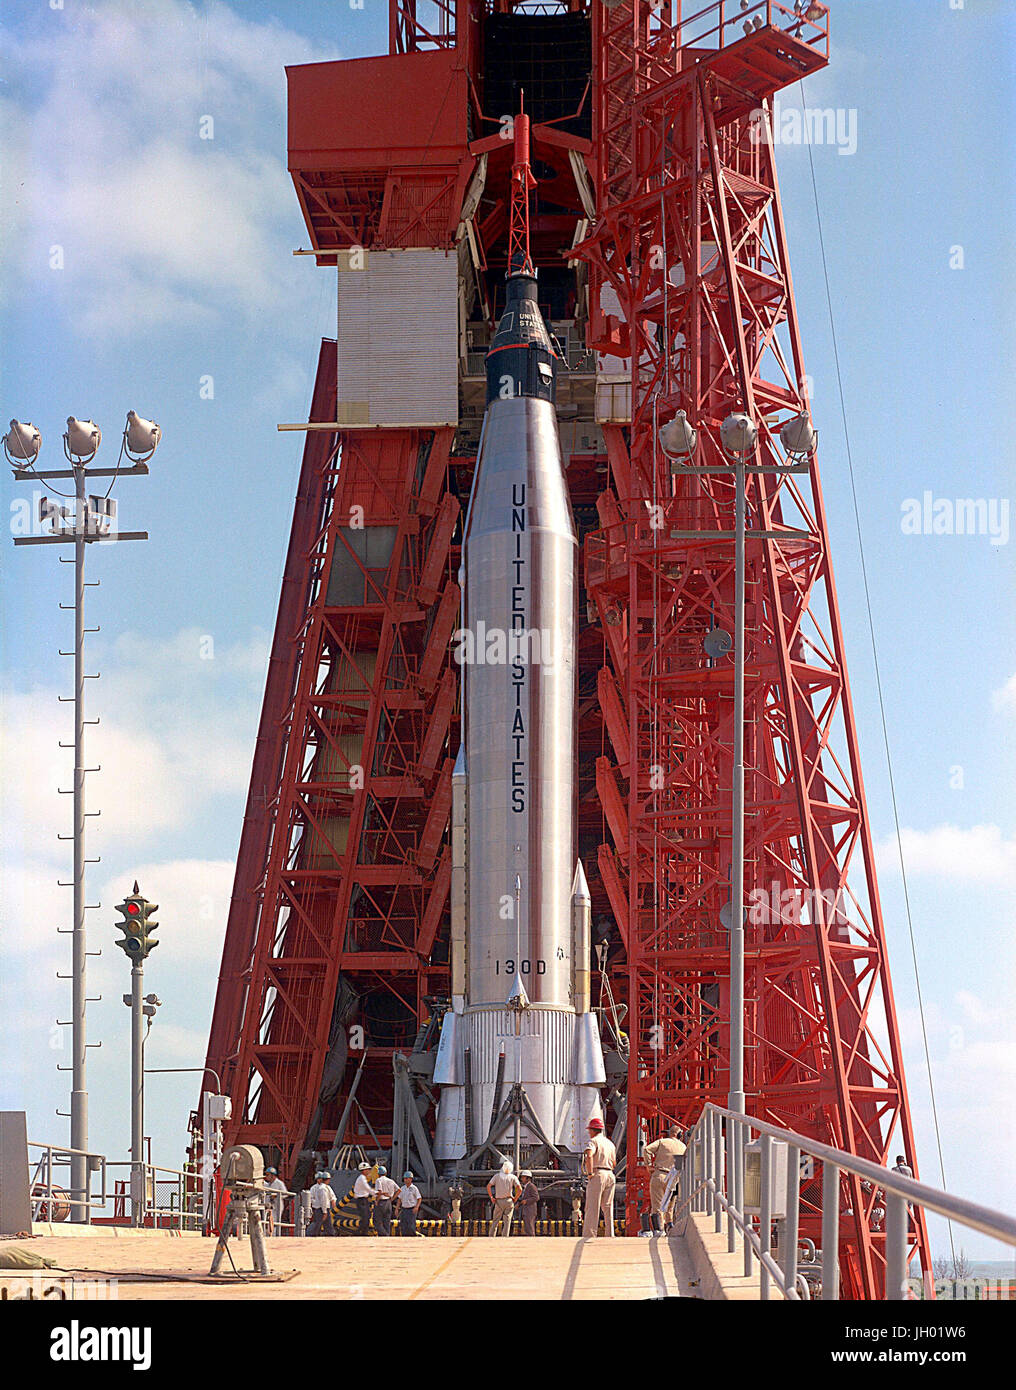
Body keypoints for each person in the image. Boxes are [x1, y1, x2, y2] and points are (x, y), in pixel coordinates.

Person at [644, 1123, 687, 1231]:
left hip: (660, 1175)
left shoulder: (662, 1142)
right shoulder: (683, 1146)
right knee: (670, 1206)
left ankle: (659, 1230)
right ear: (679, 1134)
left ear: (671, 1133)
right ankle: (670, 1228)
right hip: (674, 1178)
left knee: (658, 1206)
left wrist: (648, 1165)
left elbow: (647, 1149)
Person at [582, 1117, 617, 1238]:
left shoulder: (592, 1142)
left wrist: (590, 1173)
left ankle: (590, 1235)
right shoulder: (610, 1143)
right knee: (608, 1207)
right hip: (610, 1174)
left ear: (592, 1130)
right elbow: (614, 1163)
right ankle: (610, 1234)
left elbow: (589, 1156)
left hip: (598, 1174)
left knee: (592, 1206)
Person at [487, 1159, 522, 1237]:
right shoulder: (513, 1177)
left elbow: (488, 1186)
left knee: (495, 1220)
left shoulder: (497, 1176)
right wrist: (515, 1198)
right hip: (509, 1201)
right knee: (507, 1222)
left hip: (498, 1201)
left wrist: (491, 1197)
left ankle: (491, 1237)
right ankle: (504, 1238)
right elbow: (520, 1189)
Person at [308, 1170, 338, 1237]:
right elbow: (323, 1201)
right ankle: (314, 1235)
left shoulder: (326, 1187)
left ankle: (328, 1235)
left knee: (324, 1224)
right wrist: (324, 1212)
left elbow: (332, 1196)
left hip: (323, 1208)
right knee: (319, 1224)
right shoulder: (319, 1188)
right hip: (320, 1209)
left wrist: (333, 1202)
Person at [373, 1164, 398, 1237]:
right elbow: (399, 1190)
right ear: (386, 1173)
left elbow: (379, 1192)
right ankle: (387, 1237)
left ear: (378, 1174)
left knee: (377, 1221)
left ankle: (385, 1235)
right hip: (388, 1203)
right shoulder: (391, 1181)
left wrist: (377, 1201)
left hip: (381, 1202)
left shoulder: (378, 1180)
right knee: (387, 1221)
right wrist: (392, 1198)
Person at [264, 1166, 288, 1236]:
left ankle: (275, 1235)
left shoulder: (279, 1183)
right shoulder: (268, 1184)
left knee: (275, 1222)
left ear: (273, 1175)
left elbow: (285, 1194)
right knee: (267, 1222)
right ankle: (268, 1235)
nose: (266, 1176)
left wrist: (277, 1195)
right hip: (269, 1207)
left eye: (268, 1175)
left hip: (277, 1206)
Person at [353, 1160, 375, 1235]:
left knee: (366, 1217)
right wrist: (376, 1193)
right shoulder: (362, 1178)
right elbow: (367, 1188)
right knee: (365, 1218)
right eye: (367, 1169)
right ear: (363, 1170)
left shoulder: (362, 1178)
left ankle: (361, 1233)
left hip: (363, 1200)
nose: (369, 1171)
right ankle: (361, 1233)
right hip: (361, 1200)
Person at [398, 1171, 422, 1236]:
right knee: (404, 1226)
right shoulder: (402, 1188)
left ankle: (412, 1239)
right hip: (404, 1209)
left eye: (407, 1178)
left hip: (411, 1209)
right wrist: (397, 1209)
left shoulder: (414, 1188)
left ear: (411, 1179)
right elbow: (399, 1199)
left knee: (411, 1226)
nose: (405, 1180)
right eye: (405, 1179)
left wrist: (416, 1207)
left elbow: (419, 1198)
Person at [518, 1170, 539, 1236]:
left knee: (530, 1227)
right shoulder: (525, 1187)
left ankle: (532, 1241)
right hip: (526, 1210)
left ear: (528, 1178)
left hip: (530, 1210)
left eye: (523, 1177)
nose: (521, 1179)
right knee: (527, 1227)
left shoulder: (531, 1186)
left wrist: (526, 1201)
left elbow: (536, 1197)